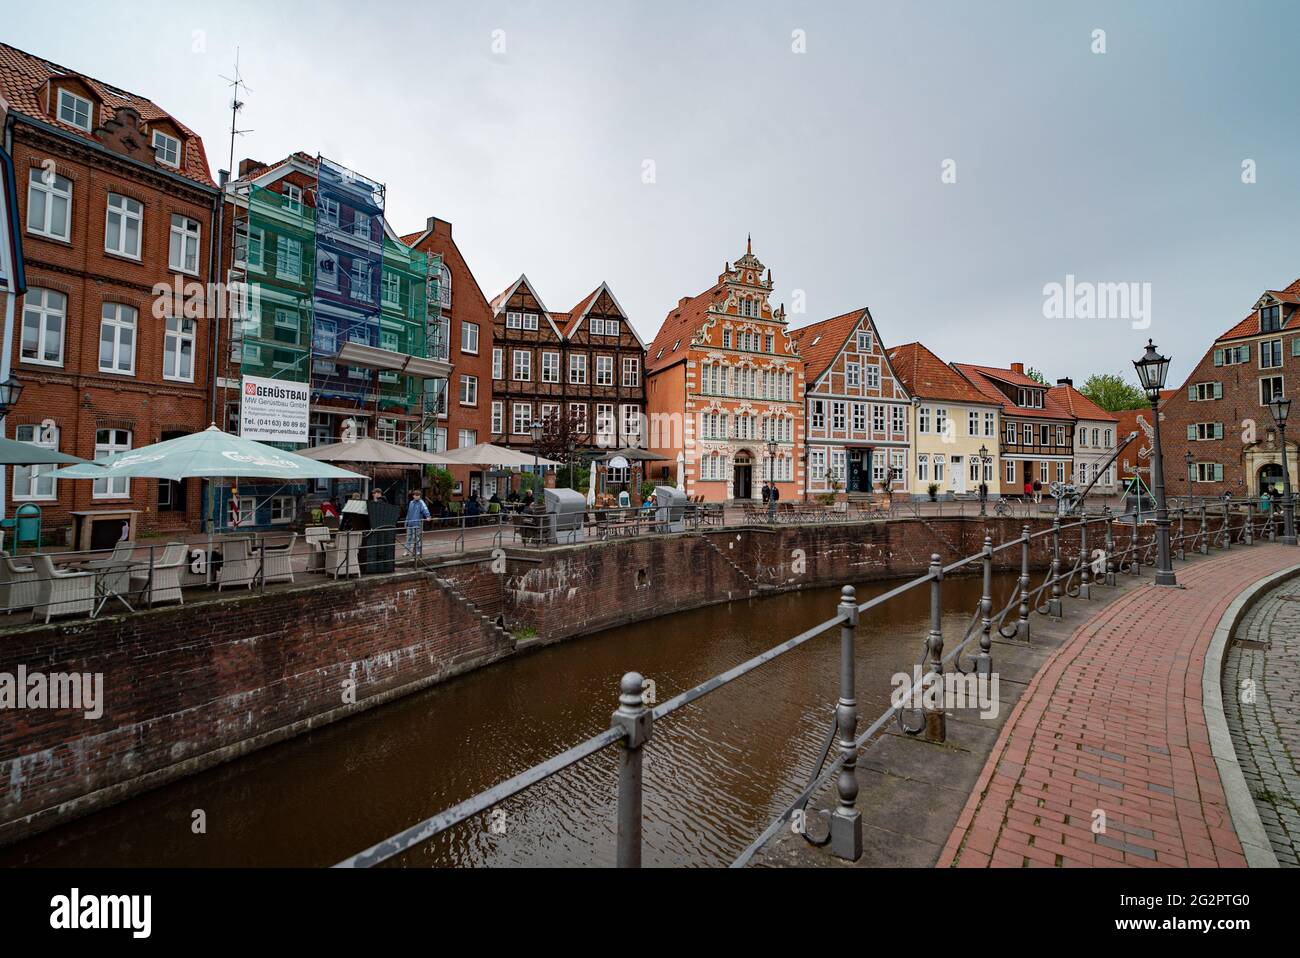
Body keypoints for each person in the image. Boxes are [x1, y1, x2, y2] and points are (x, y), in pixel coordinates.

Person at [404, 489, 431, 558]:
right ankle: (407, 551)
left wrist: (428, 516)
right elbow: (408, 513)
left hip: (417, 523)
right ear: (413, 496)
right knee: (408, 538)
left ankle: (418, 551)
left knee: (417, 538)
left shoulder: (421, 502)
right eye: (416, 495)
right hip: (410, 523)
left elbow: (425, 509)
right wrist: (406, 522)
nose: (417, 497)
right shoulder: (411, 503)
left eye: (418, 495)